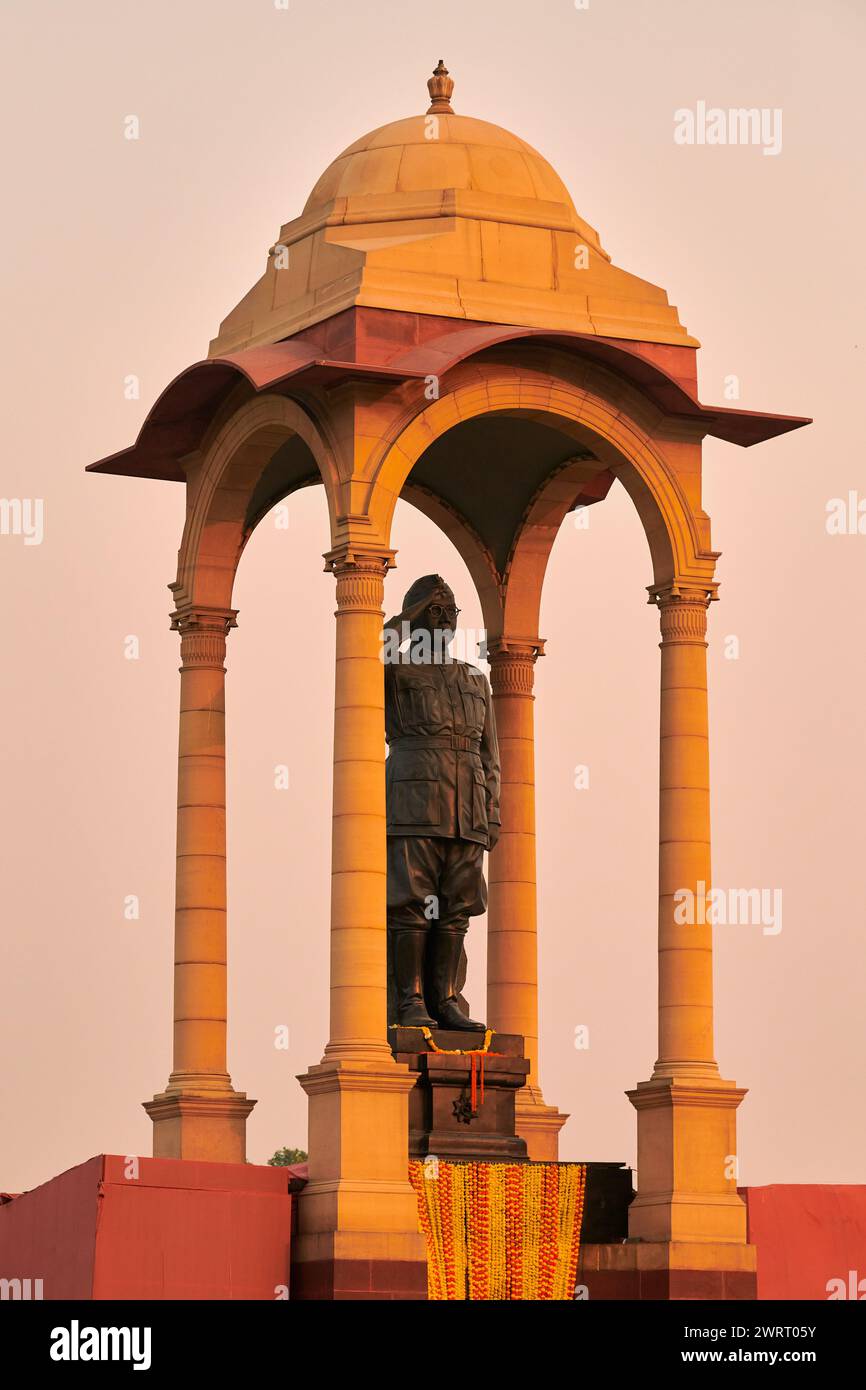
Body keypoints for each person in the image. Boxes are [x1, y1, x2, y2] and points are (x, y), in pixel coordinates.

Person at [383, 574, 500, 1031]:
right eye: (434, 609)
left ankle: (447, 999)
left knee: (456, 908)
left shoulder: (475, 678)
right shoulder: (395, 671)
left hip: (467, 808)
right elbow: (369, 654)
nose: (446, 617)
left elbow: (491, 753)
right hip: (414, 803)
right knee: (411, 903)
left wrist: (492, 813)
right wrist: (405, 620)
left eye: (451, 610)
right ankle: (410, 1001)